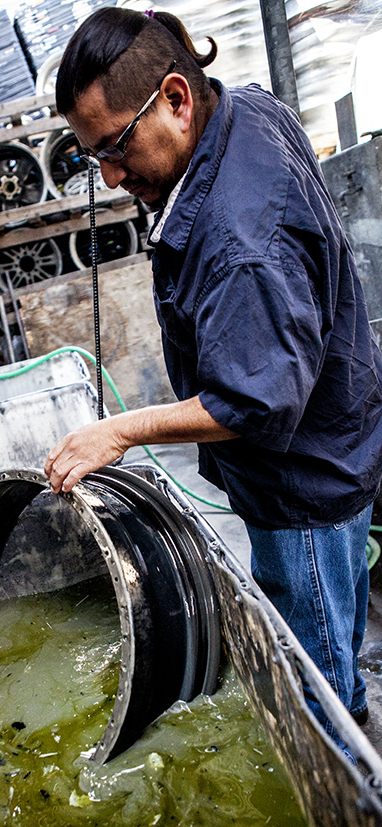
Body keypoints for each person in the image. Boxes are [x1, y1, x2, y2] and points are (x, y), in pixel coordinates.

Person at [43, 6, 382, 757]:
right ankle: (349, 716)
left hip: (304, 491)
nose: (109, 174)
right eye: (91, 154)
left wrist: (120, 429)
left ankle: (344, 806)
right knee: (333, 634)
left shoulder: (241, 244)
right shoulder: (246, 110)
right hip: (343, 435)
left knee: (314, 690)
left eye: (117, 147)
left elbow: (253, 405)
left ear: (176, 98)